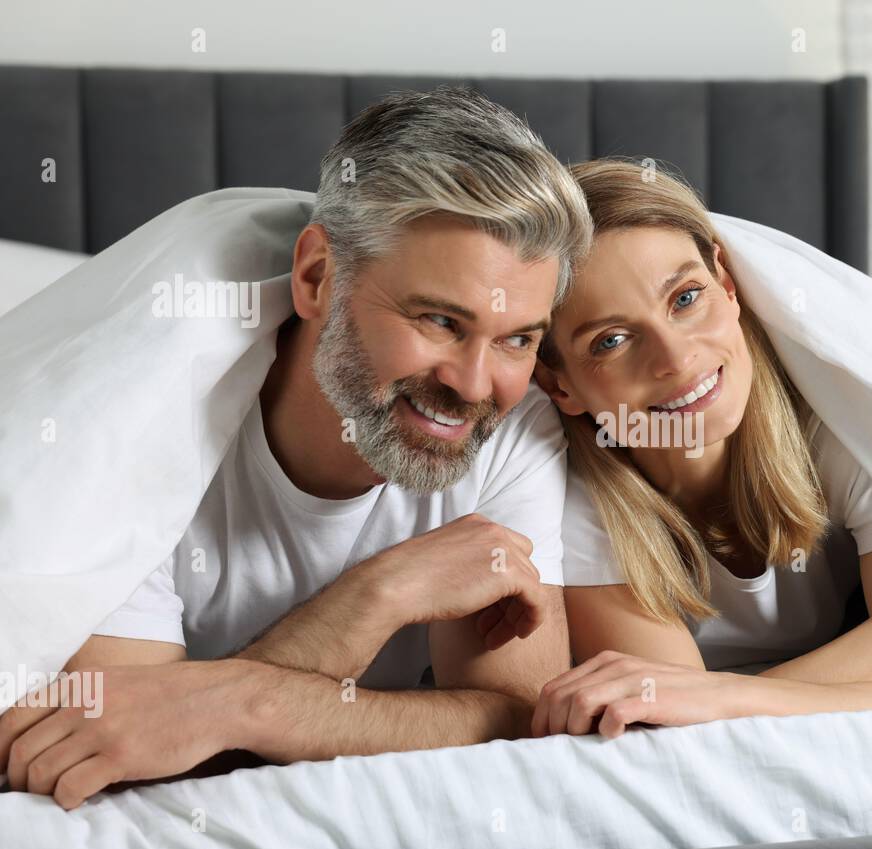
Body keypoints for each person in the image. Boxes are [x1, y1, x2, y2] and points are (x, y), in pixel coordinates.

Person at [0, 89, 592, 809]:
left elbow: (515, 721)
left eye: (517, 338)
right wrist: (380, 594)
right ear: (316, 278)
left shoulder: (514, 432)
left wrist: (233, 702)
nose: (474, 385)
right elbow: (117, 758)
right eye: (439, 320)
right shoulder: (136, 424)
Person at [532, 159, 872, 738]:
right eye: (612, 340)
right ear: (560, 386)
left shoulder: (843, 430)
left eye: (686, 297)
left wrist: (717, 696)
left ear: (727, 287)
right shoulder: (577, 507)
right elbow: (679, 733)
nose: (675, 358)